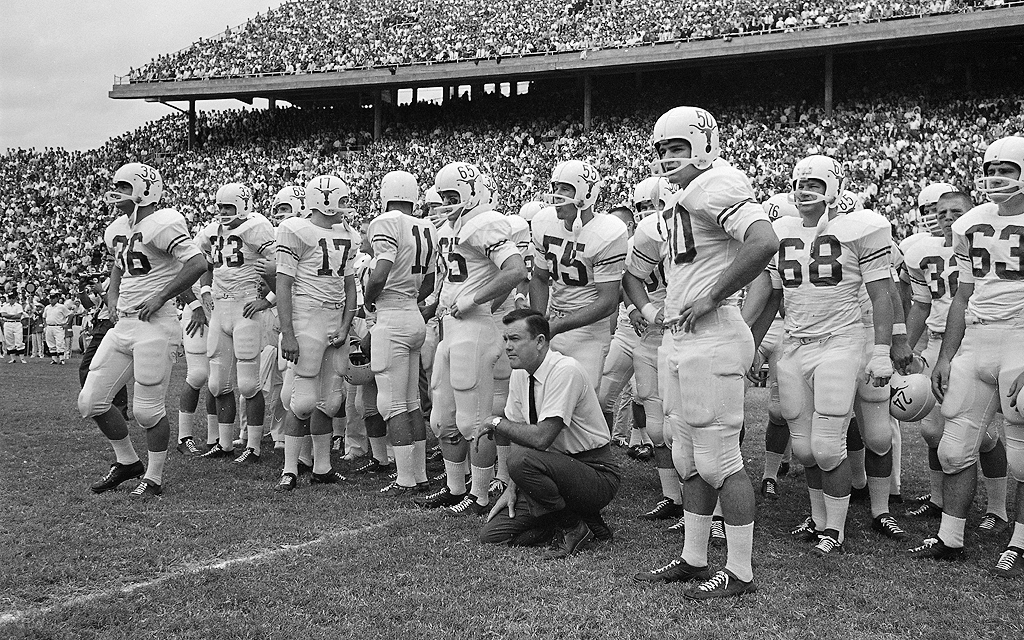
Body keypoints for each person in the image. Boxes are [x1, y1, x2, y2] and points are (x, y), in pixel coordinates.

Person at [631, 107, 777, 599]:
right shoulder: (677, 199)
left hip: (713, 333)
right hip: (681, 338)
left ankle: (740, 571)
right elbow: (638, 270)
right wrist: (655, 311)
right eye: (663, 150)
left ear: (703, 145)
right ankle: (695, 557)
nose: (669, 158)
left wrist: (713, 295)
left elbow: (764, 241)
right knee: (686, 454)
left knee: (719, 459)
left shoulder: (718, 183)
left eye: (678, 147)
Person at [748, 155, 896, 556]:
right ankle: (817, 519)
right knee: (805, 448)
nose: (804, 190)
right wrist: (748, 344)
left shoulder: (859, 229)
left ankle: (837, 528)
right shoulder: (780, 231)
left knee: (830, 445)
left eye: (814, 183)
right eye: (799, 183)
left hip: (841, 342)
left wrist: (883, 349)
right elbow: (772, 295)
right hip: (795, 343)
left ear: (833, 188)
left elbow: (883, 293)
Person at [912, 136, 1024, 575]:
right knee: (954, 446)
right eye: (991, 169)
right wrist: (945, 357)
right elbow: (962, 294)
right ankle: (951, 536)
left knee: (1021, 453)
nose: (997, 177)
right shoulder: (971, 222)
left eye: (1007, 170)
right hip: (977, 337)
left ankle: (1019, 539)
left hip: (1020, 336)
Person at [78, 162, 207, 498]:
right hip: (123, 323)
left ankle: (154, 476)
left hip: (155, 324)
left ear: (144, 189)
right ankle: (127, 462)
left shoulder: (164, 223)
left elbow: (197, 263)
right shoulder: (116, 228)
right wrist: (111, 296)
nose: (116, 191)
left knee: (147, 409)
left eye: (123, 186)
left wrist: (162, 295)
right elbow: (118, 267)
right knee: (91, 402)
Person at [416, 161, 527, 515]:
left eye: (454, 195)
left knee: (473, 419)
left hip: (476, 329)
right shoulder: (451, 225)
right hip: (452, 328)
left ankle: (478, 495)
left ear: (474, 191)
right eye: (444, 195)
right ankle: (453, 487)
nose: (447, 202)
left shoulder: (485, 221)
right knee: (442, 418)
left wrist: (474, 299)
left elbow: (516, 270)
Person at [902, 190, 1008, 530]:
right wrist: (906, 344)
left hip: (977, 340)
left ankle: (996, 507)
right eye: (940, 211)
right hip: (938, 344)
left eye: (955, 211)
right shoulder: (920, 250)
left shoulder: (989, 241)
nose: (947, 217)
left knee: (984, 433)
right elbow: (920, 305)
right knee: (933, 429)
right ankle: (938, 499)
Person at [478, 309, 619, 558]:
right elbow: (522, 435)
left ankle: (573, 527)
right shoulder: (520, 373)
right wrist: (514, 486)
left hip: (594, 471)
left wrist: (495, 421)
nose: (508, 347)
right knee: (493, 535)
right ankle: (578, 518)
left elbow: (541, 438)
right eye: (506, 339)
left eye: (516, 339)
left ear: (541, 341)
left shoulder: (565, 370)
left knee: (520, 461)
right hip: (551, 468)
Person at [273, 174, 359, 492]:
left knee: (331, 399)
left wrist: (347, 324)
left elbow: (351, 284)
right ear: (325, 200)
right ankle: (290, 469)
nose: (346, 206)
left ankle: (322, 467)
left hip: (335, 318)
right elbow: (283, 283)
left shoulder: (348, 234)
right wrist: (289, 332)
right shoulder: (295, 229)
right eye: (342, 199)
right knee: (303, 401)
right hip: (307, 316)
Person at [363, 170, 437, 495]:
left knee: (392, 404)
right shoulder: (428, 225)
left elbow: (379, 273)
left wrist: (369, 298)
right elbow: (431, 283)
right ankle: (419, 475)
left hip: (391, 315)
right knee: (410, 401)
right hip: (413, 313)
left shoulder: (385, 222)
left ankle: (405, 479)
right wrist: (409, 297)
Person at [195, 183, 276, 464]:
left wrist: (269, 298)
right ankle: (225, 444)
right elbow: (205, 265)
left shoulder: (258, 227)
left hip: (245, 306)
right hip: (220, 307)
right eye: (220, 207)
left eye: (229, 207)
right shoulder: (211, 232)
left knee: (248, 384)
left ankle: (253, 447)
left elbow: (280, 266)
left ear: (243, 205)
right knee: (217, 383)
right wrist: (205, 292)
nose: (223, 212)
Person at [529, 160, 627, 389]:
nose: (556, 194)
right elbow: (540, 278)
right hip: (553, 321)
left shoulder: (607, 232)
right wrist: (537, 319)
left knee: (579, 405)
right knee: (543, 397)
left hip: (588, 331)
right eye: (555, 188)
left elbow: (607, 301)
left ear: (586, 193)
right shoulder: (544, 223)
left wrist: (558, 326)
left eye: (565, 188)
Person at [78, 277, 128, 419]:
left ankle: (118, 410)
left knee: (114, 369)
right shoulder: (106, 281)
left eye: (110, 259)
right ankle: (91, 401)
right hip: (100, 326)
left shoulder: (124, 280)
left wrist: (101, 291)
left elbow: (116, 307)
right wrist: (82, 291)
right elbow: (89, 305)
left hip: (111, 324)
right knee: (86, 366)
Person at [43, 290, 76, 364]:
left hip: (58, 326)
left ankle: (61, 359)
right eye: (50, 298)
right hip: (49, 326)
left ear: (56, 299)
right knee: (50, 343)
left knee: (60, 342)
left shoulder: (61, 307)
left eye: (53, 298)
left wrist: (66, 323)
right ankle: (54, 359)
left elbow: (70, 315)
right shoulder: (47, 307)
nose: (51, 299)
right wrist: (45, 325)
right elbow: (44, 317)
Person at [1, 291, 26, 363]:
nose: (11, 300)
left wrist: (9, 316)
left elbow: (19, 315)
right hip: (7, 323)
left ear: (15, 298)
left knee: (19, 340)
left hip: (17, 323)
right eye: (10, 298)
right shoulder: (5, 306)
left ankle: (22, 358)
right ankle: (13, 358)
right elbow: (3, 314)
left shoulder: (18, 306)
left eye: (12, 298)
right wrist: (13, 316)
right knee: (9, 340)